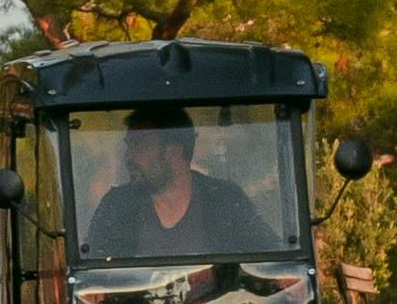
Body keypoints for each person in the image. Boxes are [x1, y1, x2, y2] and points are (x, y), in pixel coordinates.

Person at [81, 105, 277, 269]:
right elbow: (91, 269)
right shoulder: (117, 205)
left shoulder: (224, 198)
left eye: (139, 145)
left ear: (174, 152)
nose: (128, 156)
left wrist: (283, 280)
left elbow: (270, 256)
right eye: (129, 145)